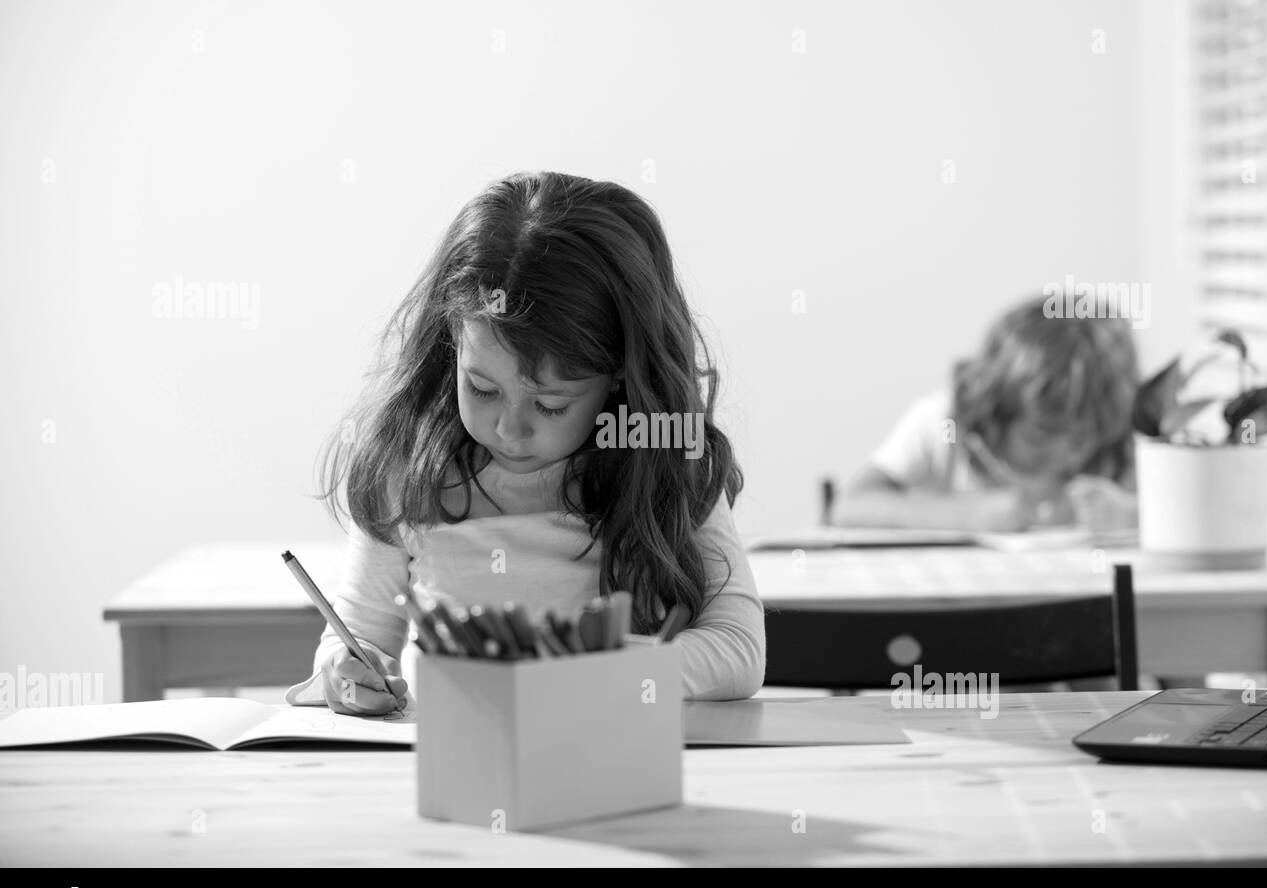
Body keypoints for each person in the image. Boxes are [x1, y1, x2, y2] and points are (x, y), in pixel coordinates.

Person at [285, 171, 765, 714]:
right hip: (457, 766)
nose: (510, 429)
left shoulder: (667, 461)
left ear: (617, 378)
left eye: (552, 404)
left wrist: (605, 672)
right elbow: (358, 635)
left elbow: (739, 649)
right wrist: (346, 673)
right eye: (482, 388)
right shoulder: (409, 467)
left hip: (612, 766)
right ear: (451, 346)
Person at [833, 295, 1139, 533]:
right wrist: (967, 516)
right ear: (999, 405)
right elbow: (849, 507)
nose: (1063, 455)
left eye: (1080, 440)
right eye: (1041, 434)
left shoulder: (1119, 447)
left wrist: (1133, 514)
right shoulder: (942, 424)